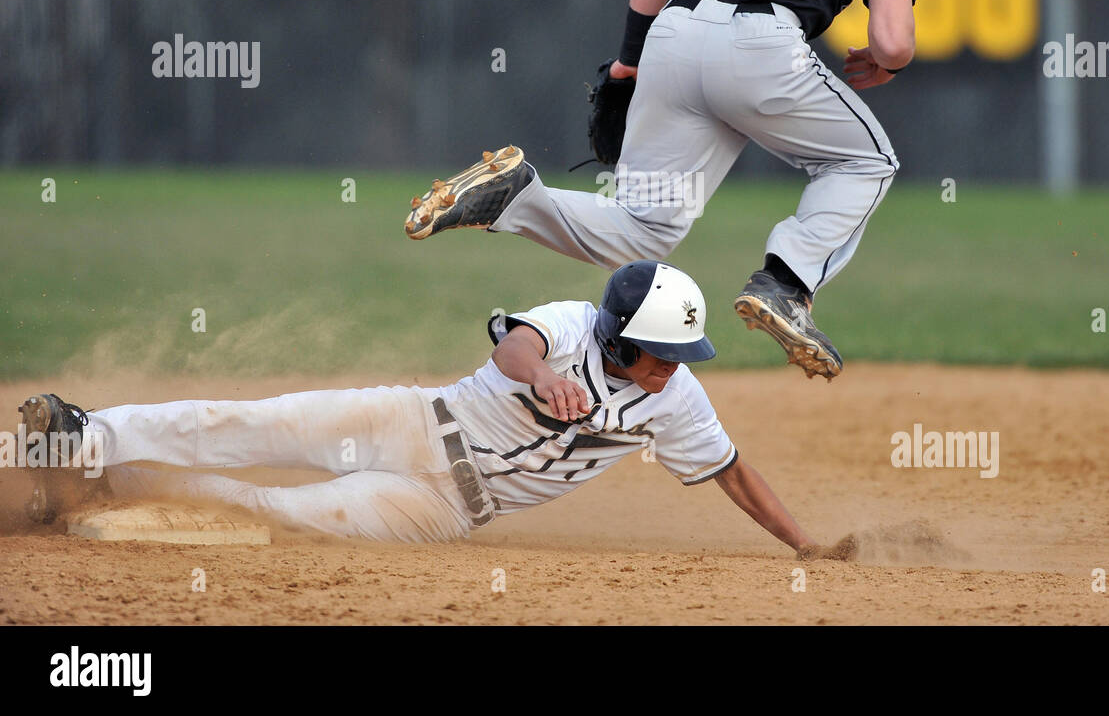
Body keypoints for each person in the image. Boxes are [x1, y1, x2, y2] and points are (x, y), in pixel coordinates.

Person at [404, 0, 970, 381]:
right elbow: (892, 37)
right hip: (762, 45)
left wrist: (628, 62)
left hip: (674, 33)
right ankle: (786, 285)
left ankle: (514, 195)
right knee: (866, 161)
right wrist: (886, 61)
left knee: (640, 228)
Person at [17, 261, 855, 560]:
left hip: (442, 506)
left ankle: (110, 485)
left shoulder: (679, 405)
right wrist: (541, 380)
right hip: (412, 421)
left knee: (274, 514)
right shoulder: (567, 327)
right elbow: (512, 346)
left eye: (683, 358)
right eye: (663, 355)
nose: (675, 371)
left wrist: (806, 544)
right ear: (619, 337)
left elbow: (733, 471)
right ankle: (82, 437)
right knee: (251, 423)